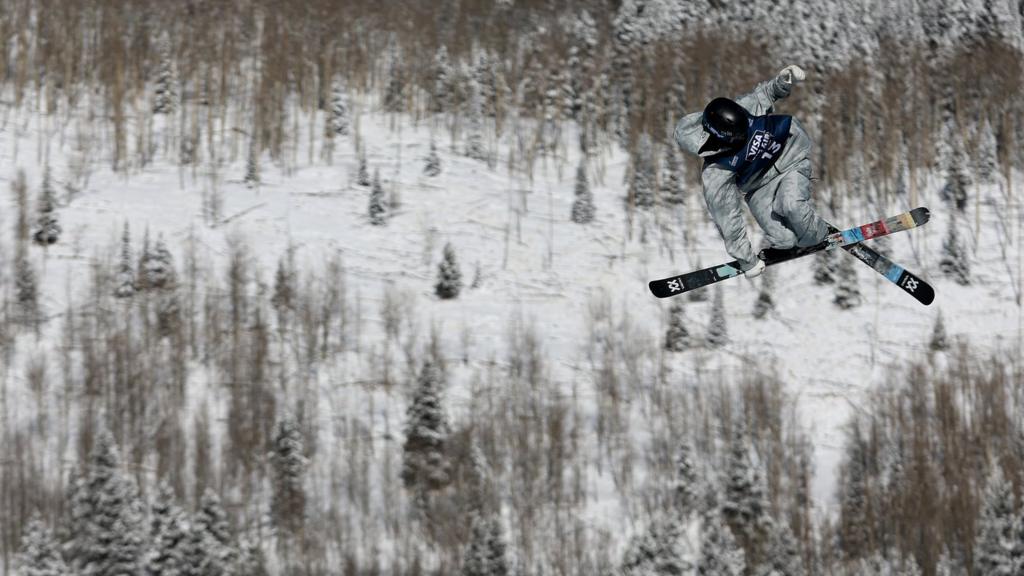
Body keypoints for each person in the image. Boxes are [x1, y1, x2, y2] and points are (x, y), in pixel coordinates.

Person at [673, 65, 830, 279]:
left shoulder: (745, 108)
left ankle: (818, 233)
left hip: (790, 161)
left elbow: (767, 93)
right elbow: (728, 218)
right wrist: (747, 260)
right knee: (784, 240)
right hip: (759, 189)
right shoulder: (717, 171)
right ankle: (804, 230)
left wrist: (783, 81)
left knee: (790, 205)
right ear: (722, 138)